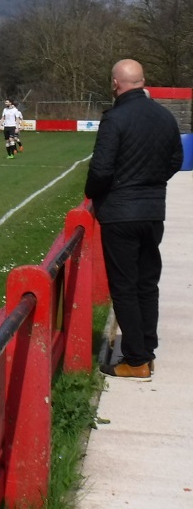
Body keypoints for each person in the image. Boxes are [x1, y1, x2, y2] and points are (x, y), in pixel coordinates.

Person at [85, 59, 183, 379]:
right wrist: (150, 185)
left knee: (124, 286)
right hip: (153, 211)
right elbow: (175, 160)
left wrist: (96, 195)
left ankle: (136, 360)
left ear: (116, 84)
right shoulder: (165, 117)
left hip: (120, 212)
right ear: (142, 81)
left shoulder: (115, 119)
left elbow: (101, 170)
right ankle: (146, 347)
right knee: (147, 282)